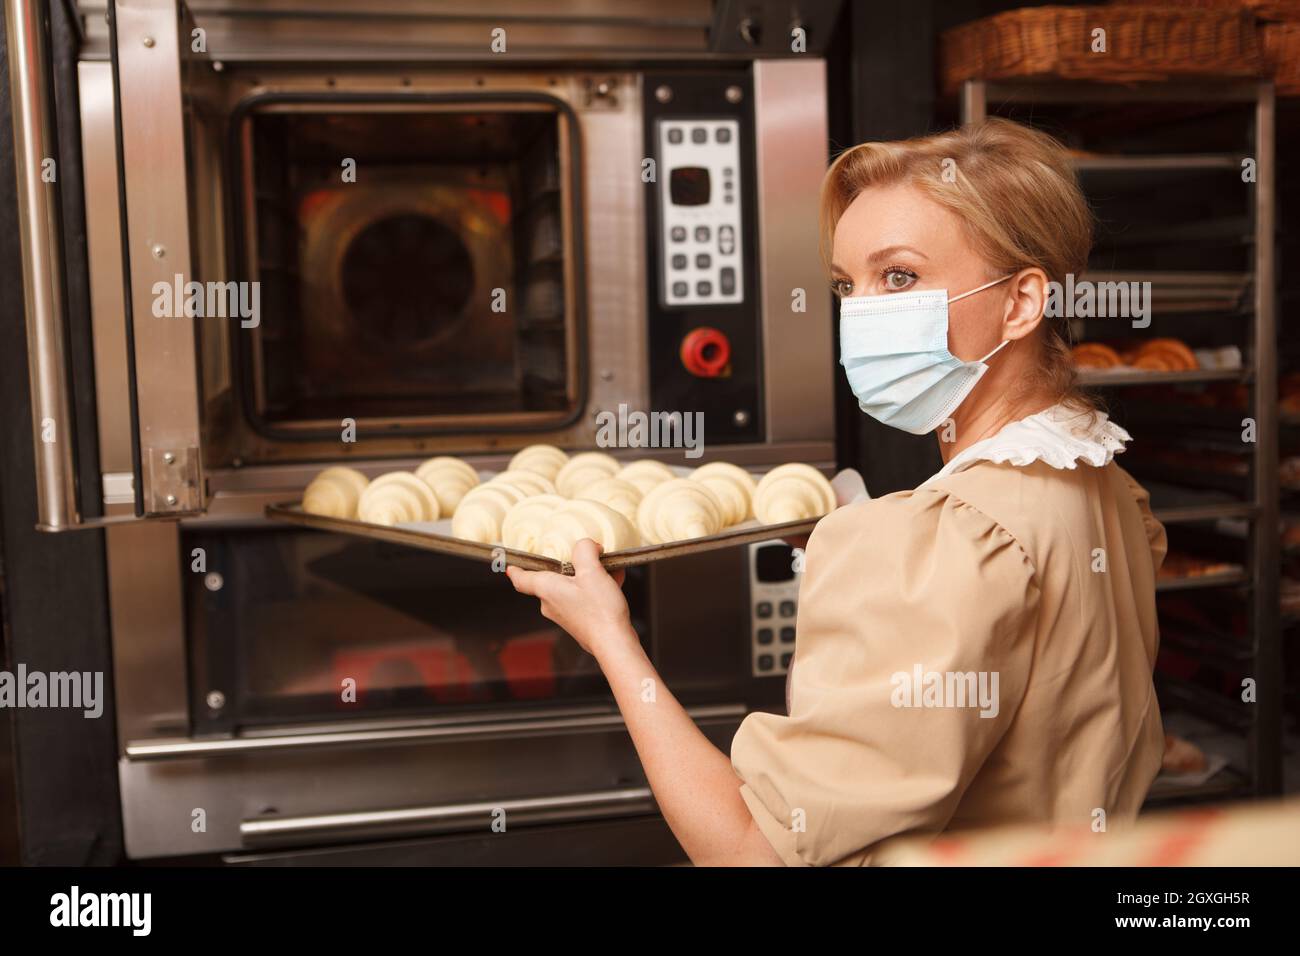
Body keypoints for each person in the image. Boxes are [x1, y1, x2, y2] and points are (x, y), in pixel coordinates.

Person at [507, 118, 1167, 866]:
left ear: (1020, 303)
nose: (864, 314)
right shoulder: (1105, 490)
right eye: (848, 284)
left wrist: (610, 640)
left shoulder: (939, 541)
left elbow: (755, 852)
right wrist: (868, 551)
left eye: (900, 277)